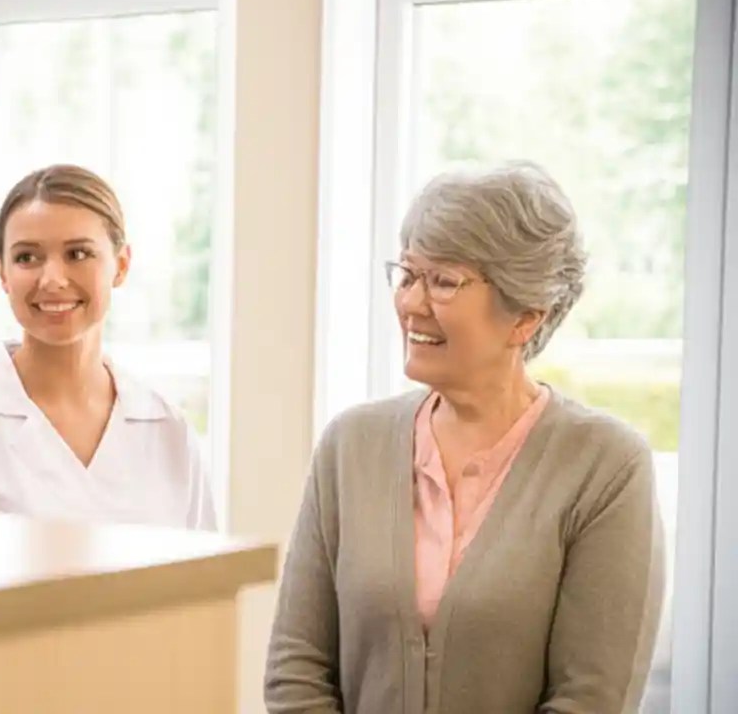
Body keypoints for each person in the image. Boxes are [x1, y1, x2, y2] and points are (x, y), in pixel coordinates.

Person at [265, 161, 663, 712]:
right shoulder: (349, 447)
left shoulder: (606, 466)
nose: (410, 303)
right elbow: (296, 668)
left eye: (443, 281)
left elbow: (592, 697)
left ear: (525, 315)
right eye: (406, 274)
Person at [0, 164, 215, 529]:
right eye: (27, 257)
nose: (52, 280)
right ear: (3, 273)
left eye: (78, 254)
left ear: (121, 265)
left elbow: (207, 582)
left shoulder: (170, 432)